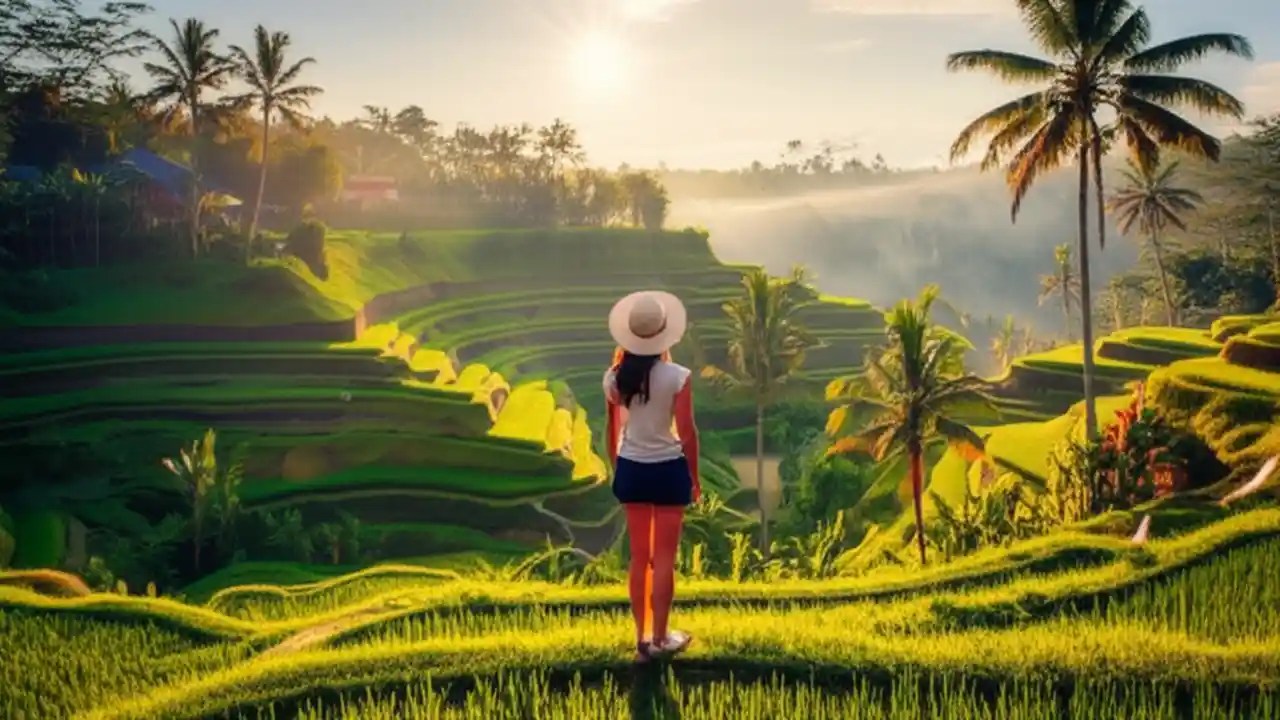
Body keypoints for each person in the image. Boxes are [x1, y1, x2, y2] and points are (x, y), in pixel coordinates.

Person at [604, 290, 701, 664]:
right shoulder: (678, 376)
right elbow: (687, 431)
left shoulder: (613, 378)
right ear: (663, 333)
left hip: (631, 469)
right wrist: (693, 476)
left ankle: (641, 638)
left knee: (638, 558)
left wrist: (620, 468)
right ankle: (662, 638)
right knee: (663, 559)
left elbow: (614, 430)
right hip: (667, 470)